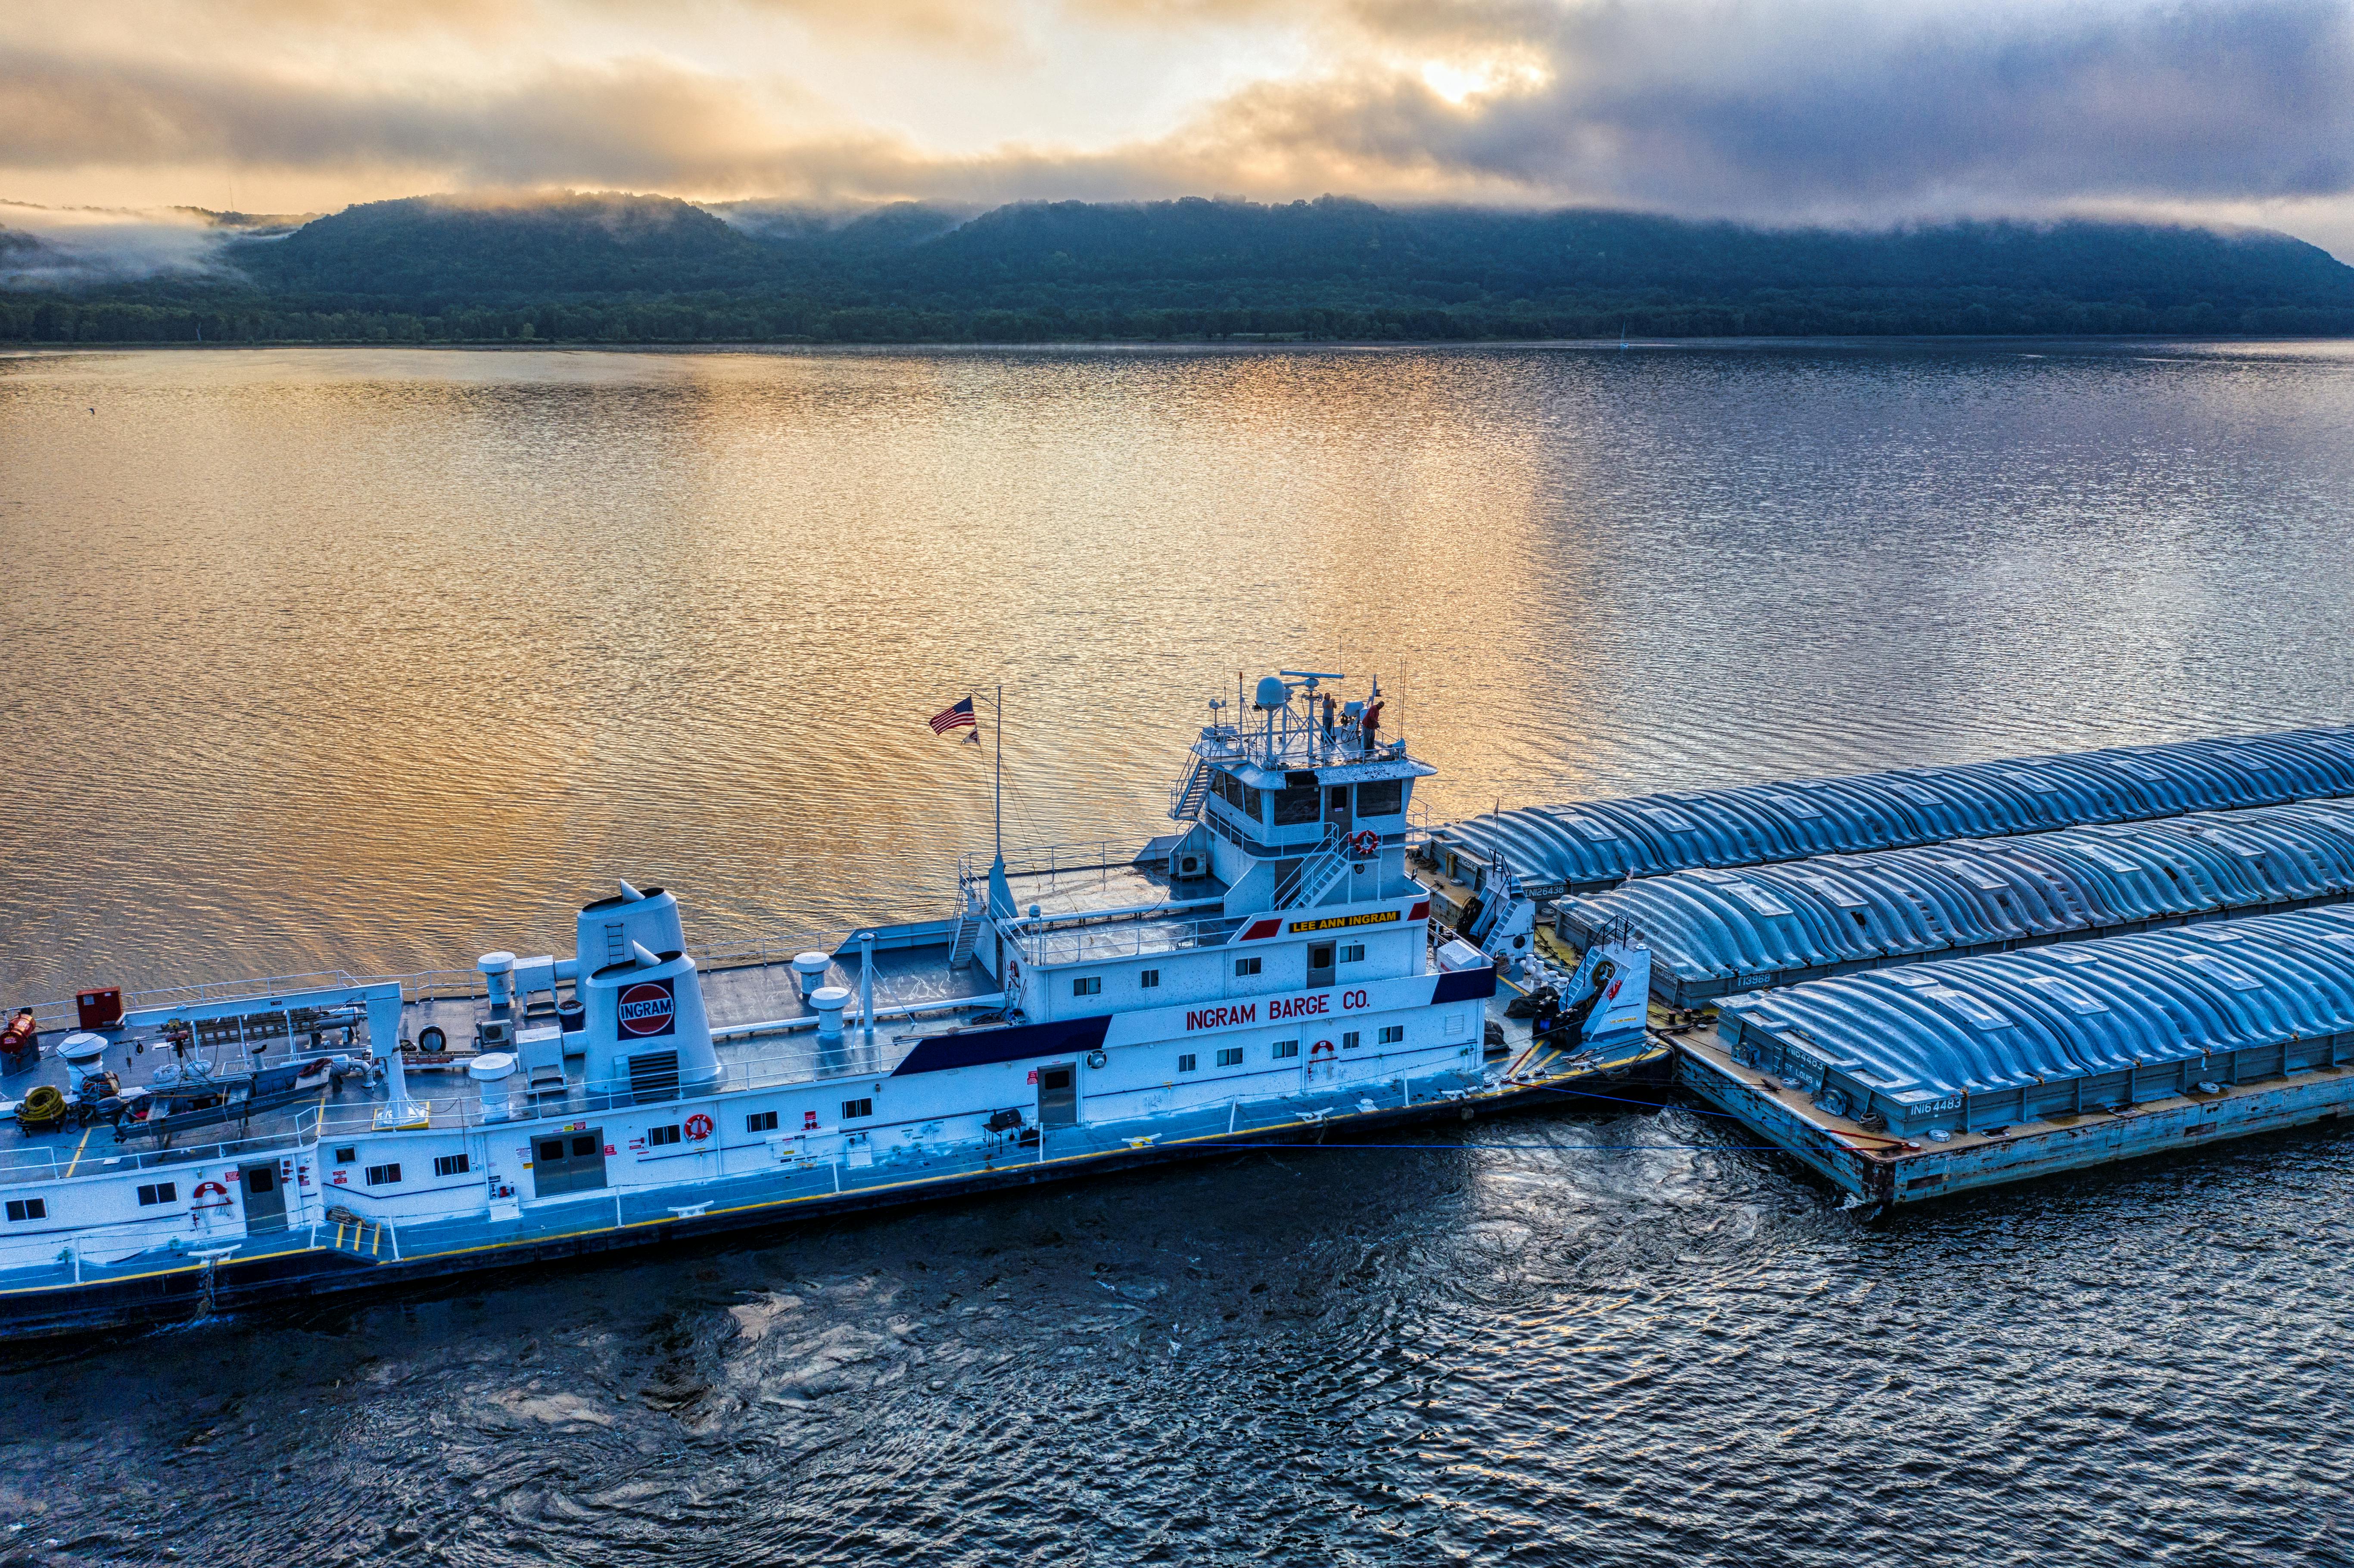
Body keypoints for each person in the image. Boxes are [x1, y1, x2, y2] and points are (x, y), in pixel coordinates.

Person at [0, 1009, 35, 1073]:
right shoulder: (20, 1038)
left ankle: (11, 1070)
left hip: (12, 1042)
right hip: (19, 1039)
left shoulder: (4, 1039)